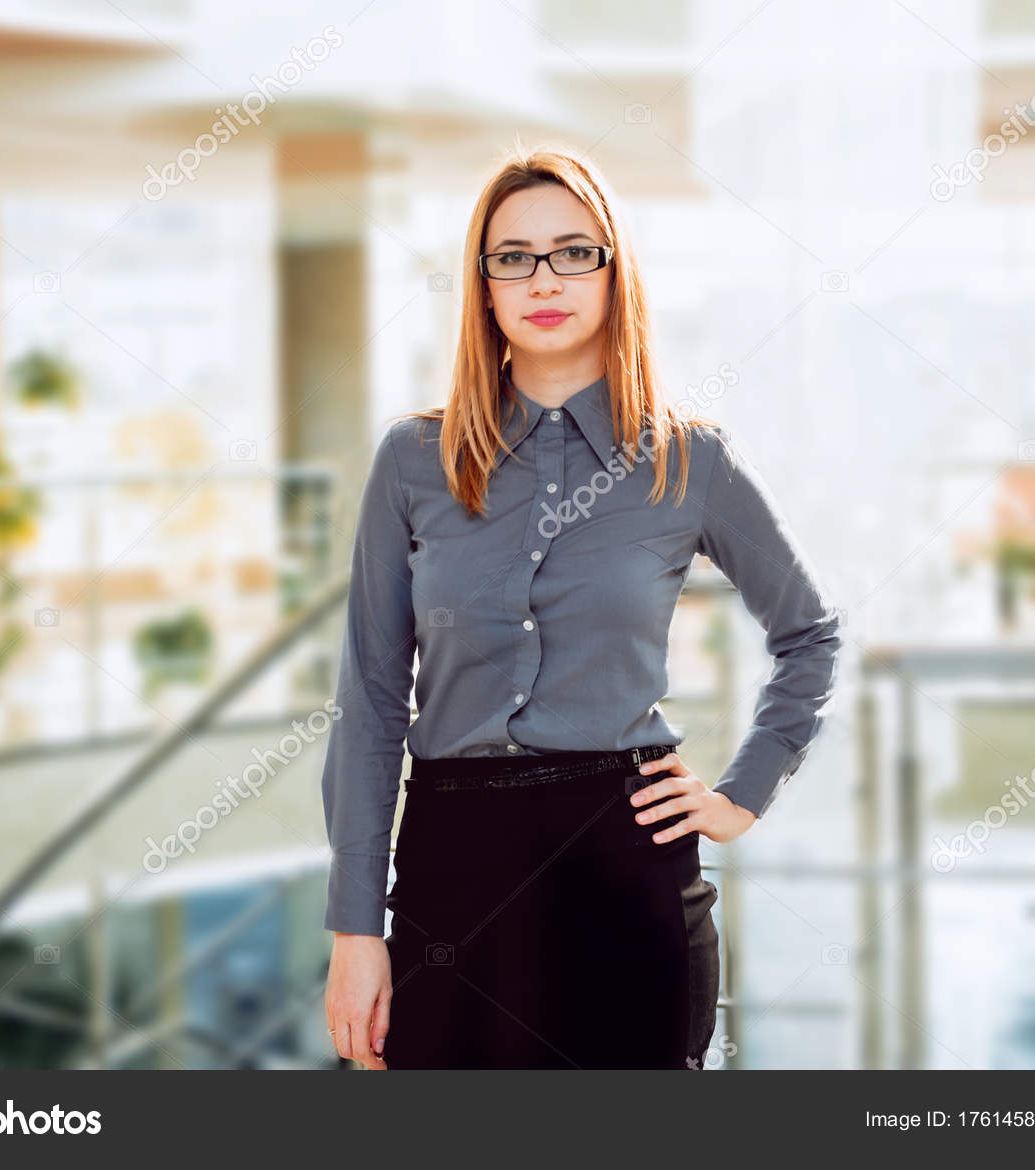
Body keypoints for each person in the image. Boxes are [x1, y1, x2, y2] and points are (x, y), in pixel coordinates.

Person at [321, 144, 842, 1070]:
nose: (542, 278)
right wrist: (355, 930)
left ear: (614, 272)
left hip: (626, 871)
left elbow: (809, 636)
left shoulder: (692, 463)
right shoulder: (413, 462)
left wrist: (740, 796)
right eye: (511, 256)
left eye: (572, 251)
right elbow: (368, 700)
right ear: (483, 287)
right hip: (454, 873)